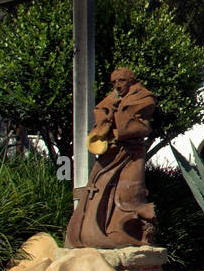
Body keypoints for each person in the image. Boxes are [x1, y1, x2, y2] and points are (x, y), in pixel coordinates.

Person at [64, 67, 157, 248]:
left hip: (132, 153)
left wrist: (115, 119)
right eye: (114, 82)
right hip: (113, 152)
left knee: (130, 193)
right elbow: (100, 109)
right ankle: (95, 232)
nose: (116, 85)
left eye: (120, 81)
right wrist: (107, 114)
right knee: (98, 187)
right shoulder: (115, 96)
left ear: (130, 80)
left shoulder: (144, 97)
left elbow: (137, 122)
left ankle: (128, 234)